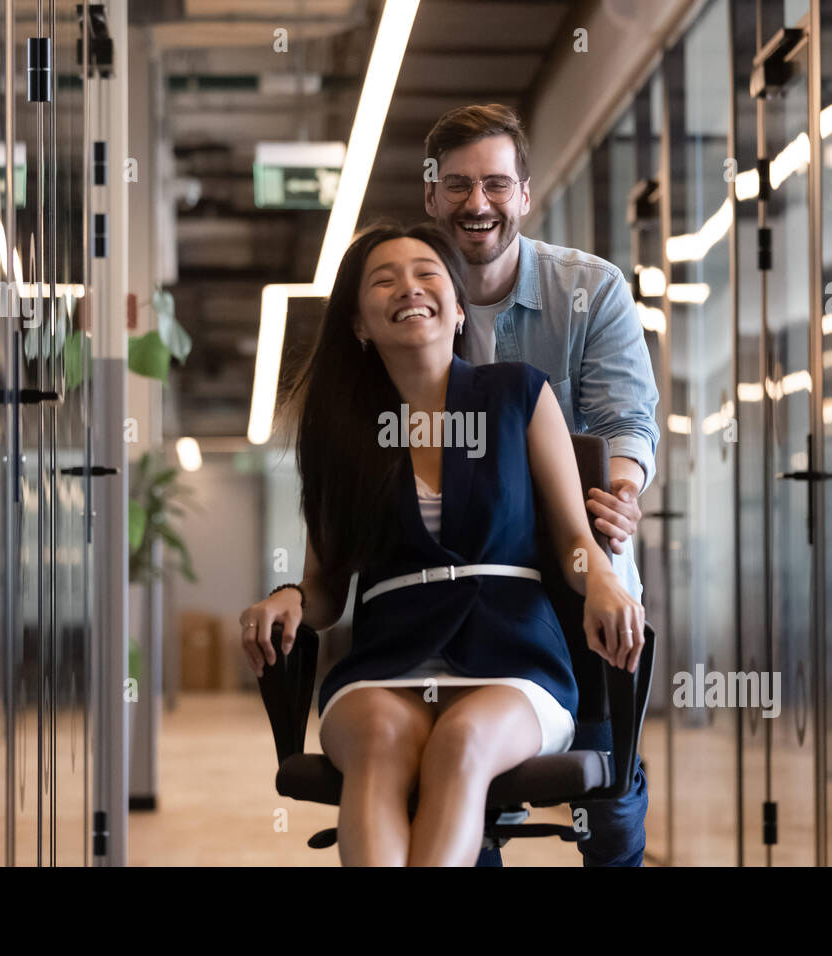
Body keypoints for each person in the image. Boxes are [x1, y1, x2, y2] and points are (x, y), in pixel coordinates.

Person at [238, 221, 645, 867]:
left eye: (427, 273)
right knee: (377, 742)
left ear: (458, 308)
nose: (409, 287)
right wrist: (286, 597)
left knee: (463, 742)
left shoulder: (519, 394)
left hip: (515, 660)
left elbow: (572, 539)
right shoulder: (341, 432)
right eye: (384, 279)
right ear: (360, 324)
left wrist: (599, 577)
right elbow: (324, 590)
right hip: (385, 663)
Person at [423, 104, 661, 867]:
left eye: (496, 184)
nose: (477, 204)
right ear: (431, 196)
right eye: (457, 186)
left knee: (607, 793)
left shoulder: (590, 290)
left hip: (577, 570)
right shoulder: (409, 296)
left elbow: (627, 420)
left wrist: (618, 494)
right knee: (456, 785)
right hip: (458, 582)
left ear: (526, 193)